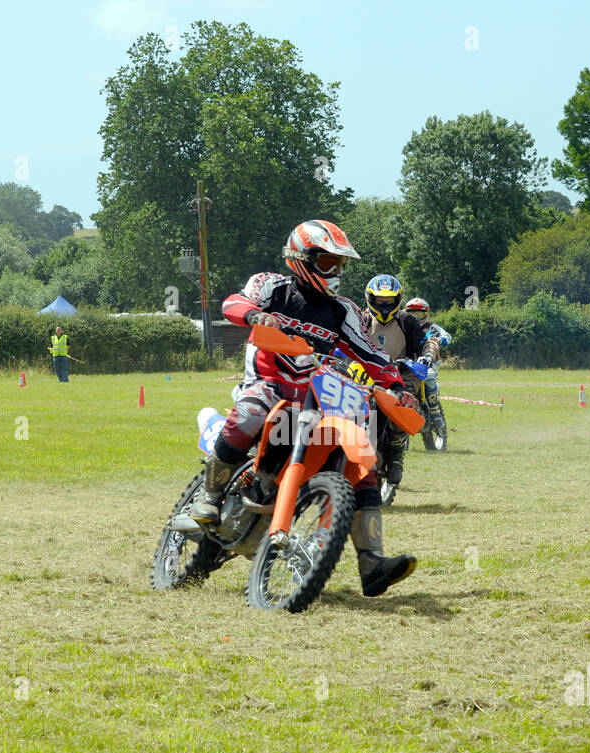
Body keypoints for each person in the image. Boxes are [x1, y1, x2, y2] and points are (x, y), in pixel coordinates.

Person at [191, 219, 420, 597]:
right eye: (328, 263)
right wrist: (253, 316)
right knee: (251, 413)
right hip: (269, 382)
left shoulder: (343, 311)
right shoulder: (271, 287)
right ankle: (210, 497)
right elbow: (233, 302)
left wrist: (397, 387)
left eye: (340, 265)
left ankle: (372, 562)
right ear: (301, 259)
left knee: (363, 463)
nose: (336, 272)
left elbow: (373, 355)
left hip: (317, 393)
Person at [360, 277, 440, 486]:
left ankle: (396, 450)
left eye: (389, 301)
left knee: (402, 404)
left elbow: (427, 341)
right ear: (370, 299)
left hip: (403, 373)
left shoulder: (407, 321)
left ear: (398, 300)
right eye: (379, 300)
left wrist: (427, 356)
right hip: (368, 374)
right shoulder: (362, 320)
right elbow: (347, 341)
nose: (384, 305)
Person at [402, 296, 447, 434]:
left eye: (419, 313)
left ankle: (435, 410)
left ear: (426, 314)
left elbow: (446, 335)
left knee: (430, 375)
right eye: (412, 313)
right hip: (407, 362)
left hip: (426, 361)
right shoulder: (403, 325)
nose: (416, 317)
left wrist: (440, 339)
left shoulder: (431, 327)